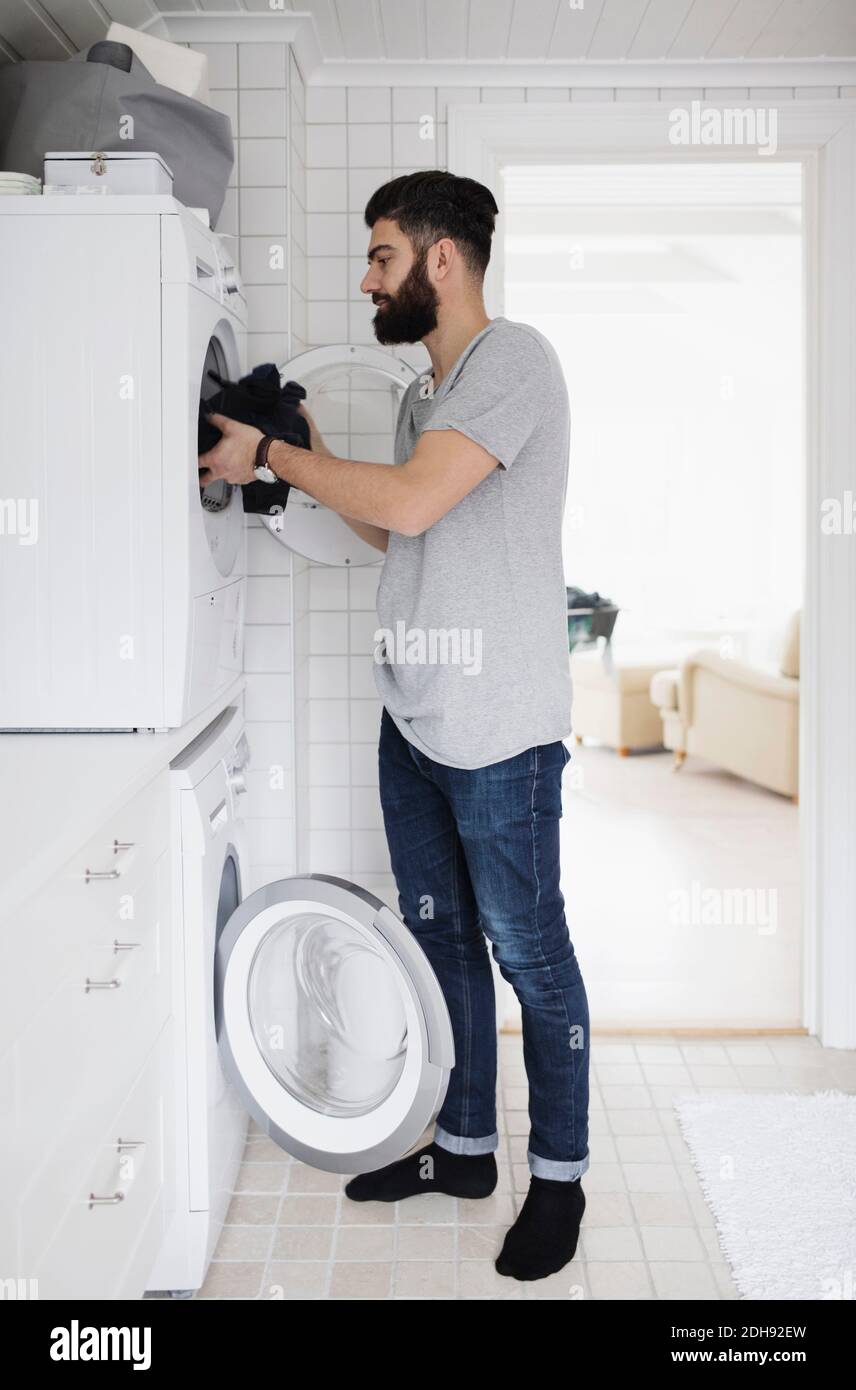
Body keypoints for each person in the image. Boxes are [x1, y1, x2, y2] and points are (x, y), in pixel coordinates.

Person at [199, 170, 590, 1282]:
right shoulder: (428, 394)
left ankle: (557, 1175)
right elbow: (405, 538)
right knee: (441, 946)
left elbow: (414, 501)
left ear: (442, 260)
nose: (366, 278)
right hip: (416, 721)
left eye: (380, 256)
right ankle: (464, 1151)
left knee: (533, 959)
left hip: (500, 734)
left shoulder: (513, 362)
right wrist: (312, 454)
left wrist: (274, 457)